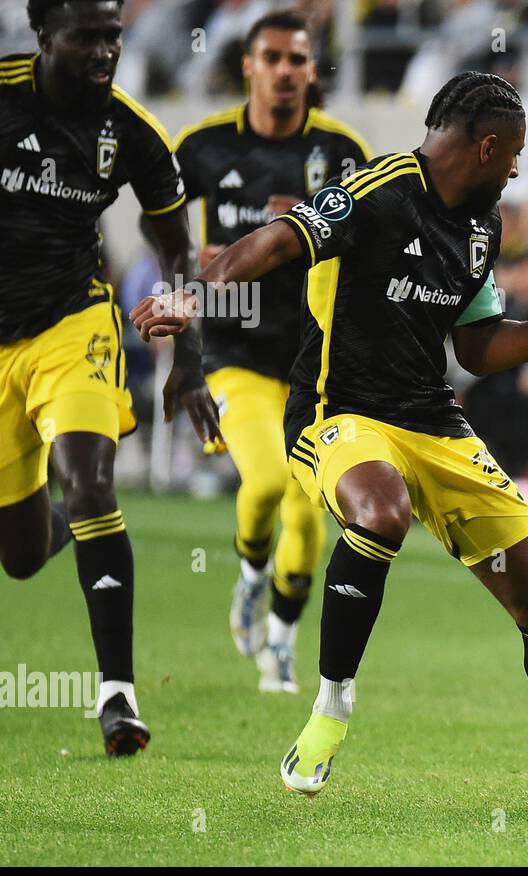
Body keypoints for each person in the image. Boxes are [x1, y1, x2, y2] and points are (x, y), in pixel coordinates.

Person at [132, 71, 528, 813]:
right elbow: (271, 241)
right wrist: (193, 292)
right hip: (336, 411)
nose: (516, 168)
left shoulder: (484, 224)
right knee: (378, 511)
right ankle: (329, 710)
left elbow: (476, 348)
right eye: (512, 154)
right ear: (485, 145)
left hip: (433, 420)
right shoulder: (373, 191)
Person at [0, 0, 220, 755]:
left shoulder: (130, 131)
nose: (104, 53)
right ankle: (55, 531)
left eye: (113, 37)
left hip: (74, 324)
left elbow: (179, 251)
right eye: (86, 38)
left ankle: (118, 698)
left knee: (91, 482)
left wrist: (188, 359)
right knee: (22, 557)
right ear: (43, 37)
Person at [174, 9, 371, 692]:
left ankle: (281, 640)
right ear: (249, 66)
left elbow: (370, 240)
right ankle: (251, 574)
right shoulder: (203, 147)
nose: (287, 70)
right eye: (274, 58)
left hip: (313, 369)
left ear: (312, 71)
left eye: (299, 59)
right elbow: (158, 214)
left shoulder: (344, 154)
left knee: (308, 513)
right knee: (264, 486)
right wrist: (188, 259)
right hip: (235, 355)